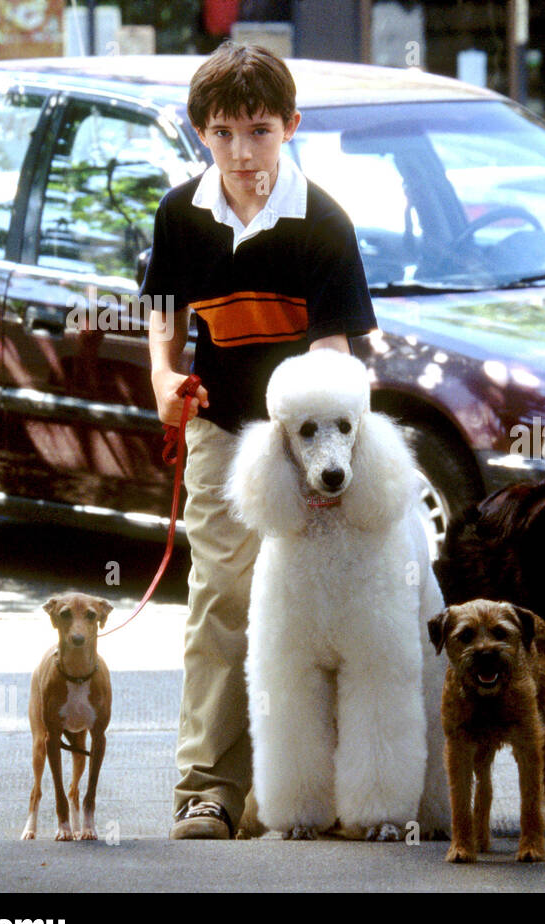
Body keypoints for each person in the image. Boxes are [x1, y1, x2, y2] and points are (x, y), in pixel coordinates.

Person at [141, 42, 376, 838]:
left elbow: (336, 355)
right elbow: (164, 319)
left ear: (291, 127)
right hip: (218, 435)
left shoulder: (324, 223)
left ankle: (315, 792)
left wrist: (319, 455)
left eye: (260, 131)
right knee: (222, 600)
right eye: (224, 133)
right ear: (200, 132)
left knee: (312, 611)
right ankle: (208, 789)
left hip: (307, 447)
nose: (243, 153)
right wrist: (164, 382)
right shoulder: (180, 214)